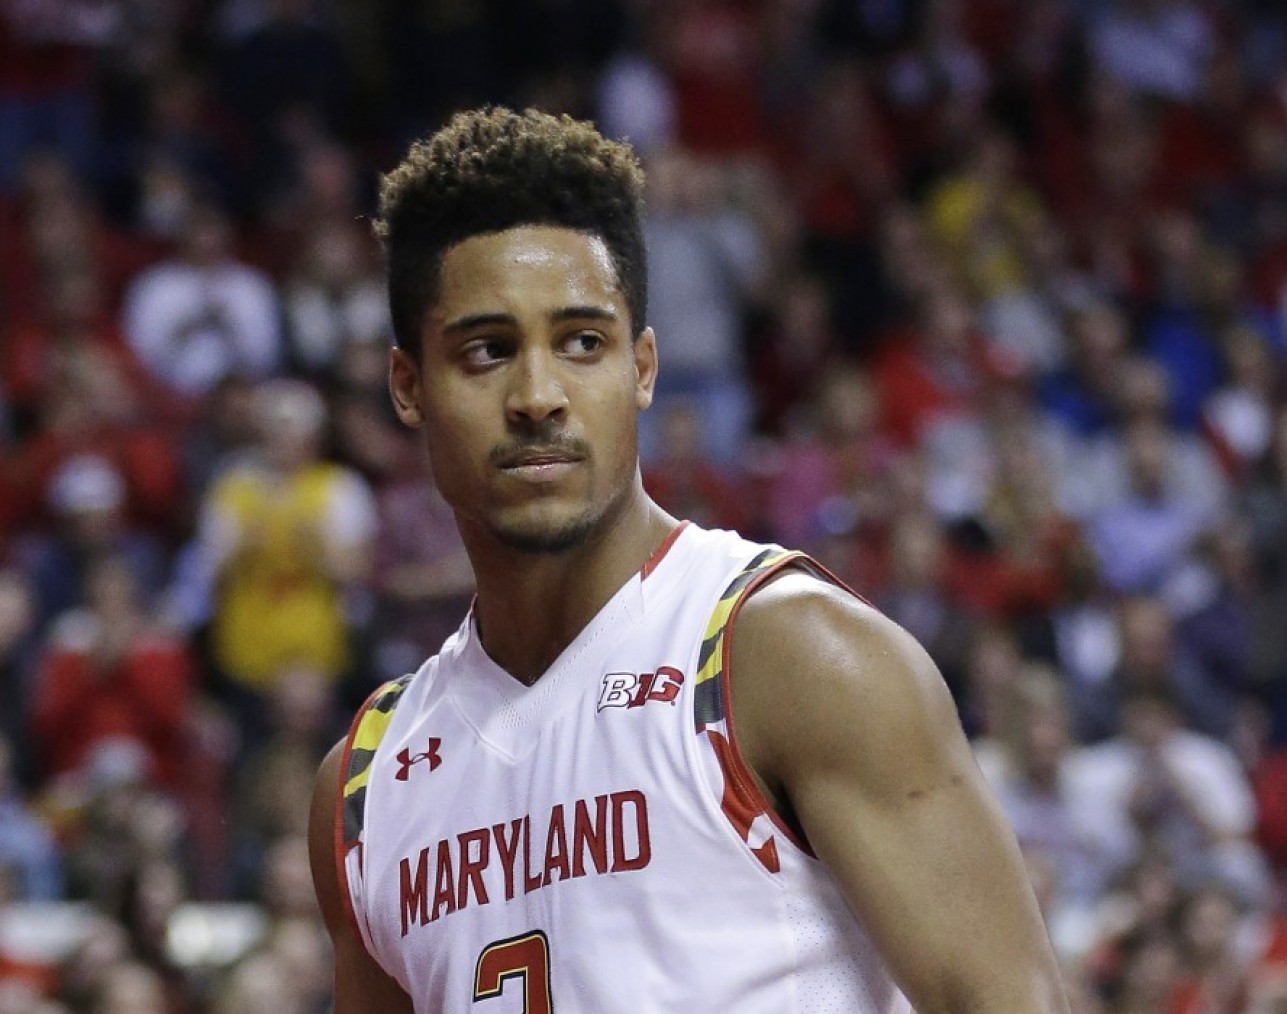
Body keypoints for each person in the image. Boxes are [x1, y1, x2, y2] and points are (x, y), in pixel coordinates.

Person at [306, 106, 1067, 1013]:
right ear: (408, 386)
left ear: (643, 367)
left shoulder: (790, 655)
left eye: (582, 343)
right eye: (487, 352)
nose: (539, 396)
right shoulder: (367, 780)